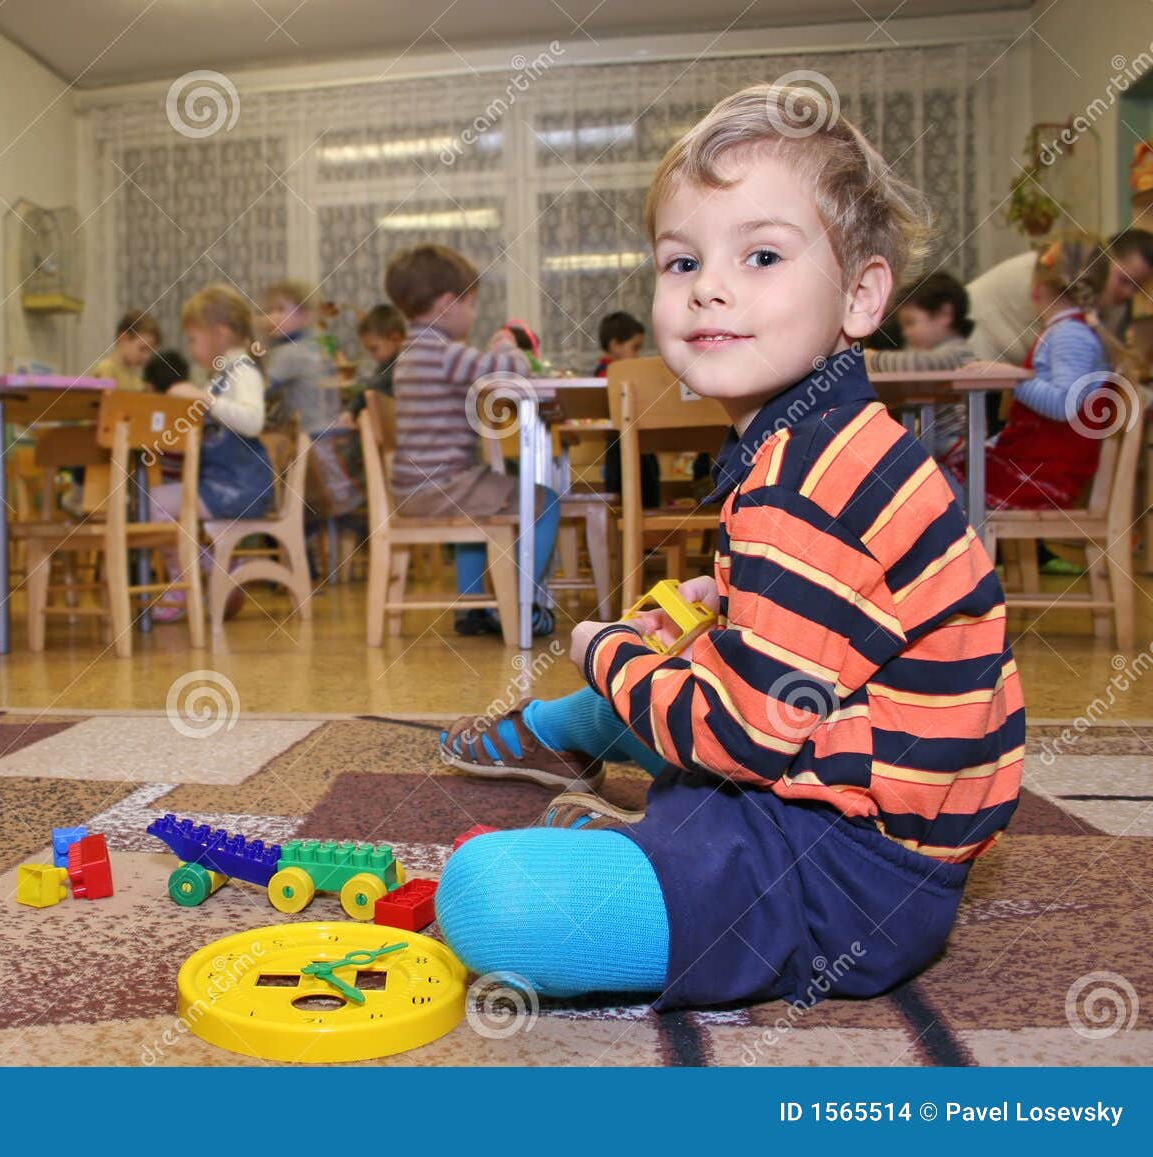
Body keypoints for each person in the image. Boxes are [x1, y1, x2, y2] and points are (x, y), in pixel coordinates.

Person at [434, 84, 1021, 1009]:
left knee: (484, 899)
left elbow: (744, 733)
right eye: (681, 261)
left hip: (844, 878)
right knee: (684, 657)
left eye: (760, 254)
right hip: (849, 804)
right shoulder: (823, 436)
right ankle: (551, 741)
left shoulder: (809, 478)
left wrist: (605, 650)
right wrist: (731, 595)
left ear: (862, 293)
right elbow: (845, 616)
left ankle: (574, 759)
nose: (710, 285)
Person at [383, 244, 562, 637]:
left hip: (417, 487)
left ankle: (472, 606)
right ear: (448, 304)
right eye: (471, 303)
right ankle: (519, 605)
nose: (473, 313)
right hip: (443, 485)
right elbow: (510, 373)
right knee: (544, 502)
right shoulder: (444, 353)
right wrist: (505, 344)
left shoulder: (411, 352)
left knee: (481, 506)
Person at [950, 233, 1117, 514]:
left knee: (931, 479)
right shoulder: (1070, 330)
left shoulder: (1069, 334)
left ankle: (959, 556)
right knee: (941, 469)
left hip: (1042, 473)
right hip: (1041, 465)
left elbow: (1064, 403)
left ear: (1036, 288)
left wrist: (1013, 378)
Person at [147, 286, 274, 623]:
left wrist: (203, 399)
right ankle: (222, 566)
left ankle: (185, 584)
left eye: (193, 339)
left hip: (238, 487)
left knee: (151, 503)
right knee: (152, 502)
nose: (190, 348)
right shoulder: (221, 377)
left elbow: (253, 420)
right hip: (224, 484)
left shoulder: (242, 371)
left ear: (219, 334)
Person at [966, 227, 1152, 364]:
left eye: (1137, 288)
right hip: (971, 347)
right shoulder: (1054, 275)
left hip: (1003, 369)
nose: (1128, 293)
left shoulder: (1112, 305)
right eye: (1124, 280)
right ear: (1103, 259)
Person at [864, 270, 979, 462]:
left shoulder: (958, 353)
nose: (906, 334)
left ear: (944, 314)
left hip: (960, 449)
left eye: (911, 323)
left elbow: (917, 365)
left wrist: (870, 358)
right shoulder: (939, 352)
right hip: (942, 444)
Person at [593, 311, 661, 506]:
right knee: (622, 498)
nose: (637, 354)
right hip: (619, 446)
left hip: (641, 442)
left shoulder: (627, 373)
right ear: (615, 345)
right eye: (635, 347)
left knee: (649, 492)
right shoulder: (604, 374)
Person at [261, 280, 341, 435]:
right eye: (268, 311)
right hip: (330, 429)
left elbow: (259, 390)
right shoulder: (317, 344)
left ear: (305, 316)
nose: (271, 317)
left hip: (308, 436)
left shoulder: (289, 352)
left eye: (280, 309)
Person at [345, 303, 405, 422]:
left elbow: (375, 391)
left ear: (395, 339)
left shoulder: (404, 367)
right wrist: (351, 411)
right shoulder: (385, 364)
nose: (372, 355)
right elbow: (369, 389)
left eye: (374, 349)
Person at [91, 310, 161, 391]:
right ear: (123, 339)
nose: (146, 357)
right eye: (142, 349)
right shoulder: (105, 369)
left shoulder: (133, 374)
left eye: (149, 351)